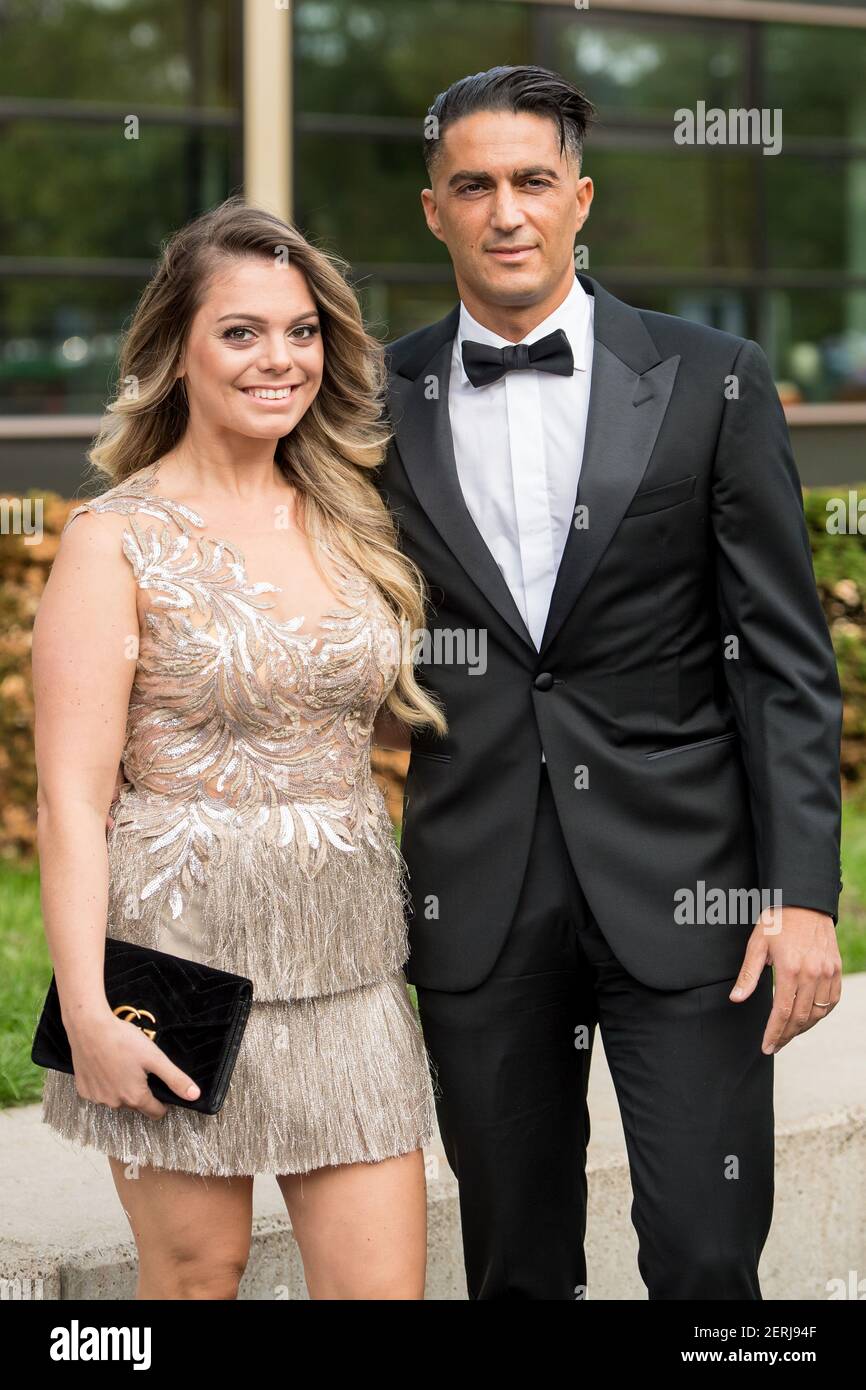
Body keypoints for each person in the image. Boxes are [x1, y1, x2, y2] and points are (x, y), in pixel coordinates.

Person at [376, 65, 844, 1299]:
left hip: (688, 894)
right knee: (515, 1267)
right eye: (472, 186)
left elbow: (786, 661)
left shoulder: (713, 377)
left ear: (580, 198)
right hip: (475, 895)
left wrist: (803, 895)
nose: (506, 212)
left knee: (703, 1252)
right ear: (435, 211)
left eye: (532, 182)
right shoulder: (369, 401)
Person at [32, 196, 445, 1300]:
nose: (282, 358)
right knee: (193, 1282)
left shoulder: (354, 515)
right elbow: (72, 803)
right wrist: (87, 1013)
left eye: (303, 330)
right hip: (169, 962)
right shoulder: (114, 538)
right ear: (175, 352)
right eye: (242, 331)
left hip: (348, 963)